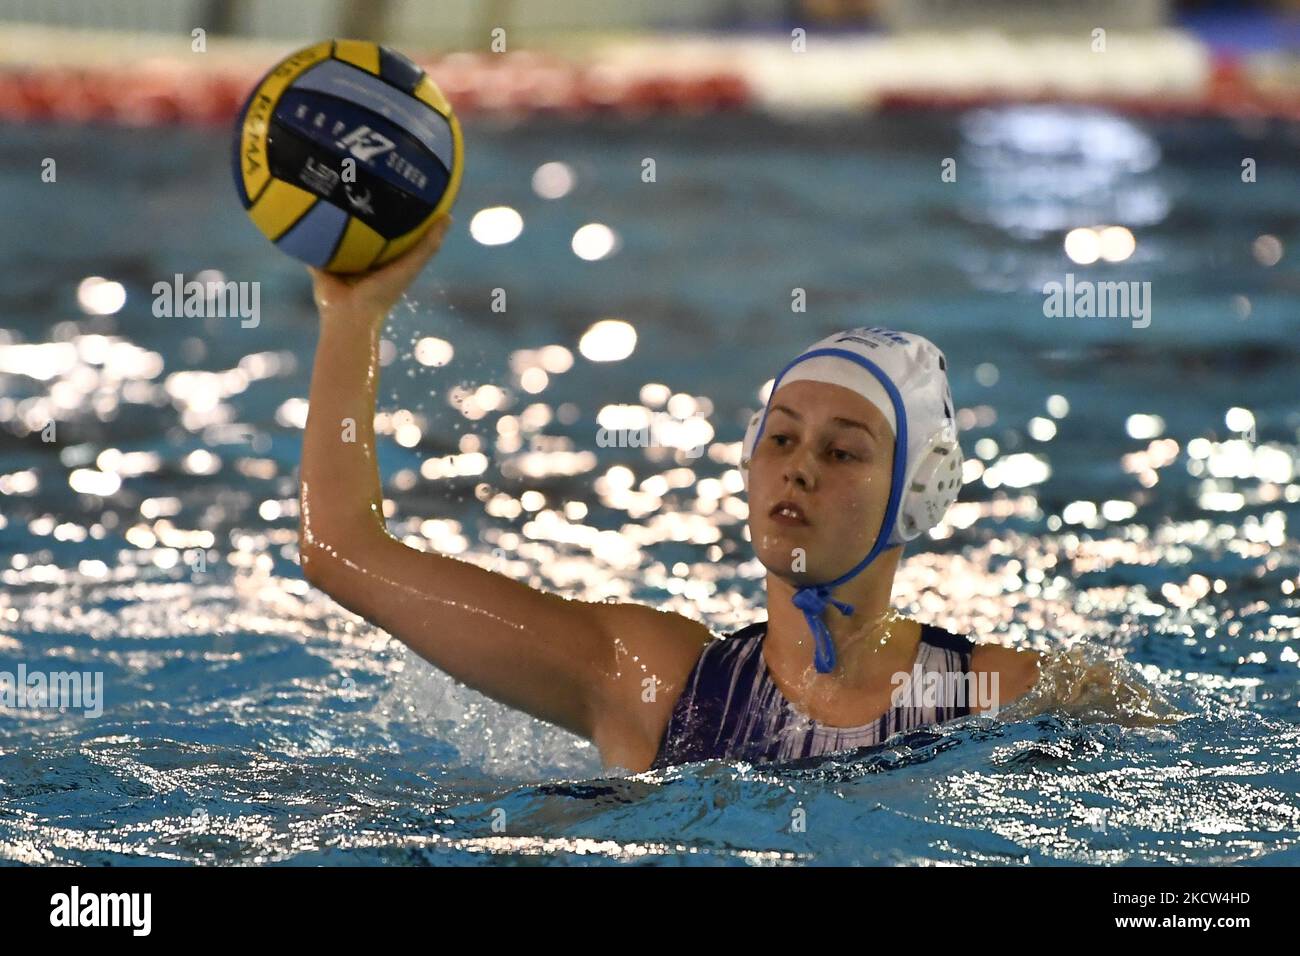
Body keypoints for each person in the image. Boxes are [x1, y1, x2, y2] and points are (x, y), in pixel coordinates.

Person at [297, 216, 1159, 776]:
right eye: (780, 438)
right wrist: (354, 318)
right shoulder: (650, 680)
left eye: (843, 450)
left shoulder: (990, 694)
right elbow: (340, 550)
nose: (800, 467)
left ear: (918, 493)